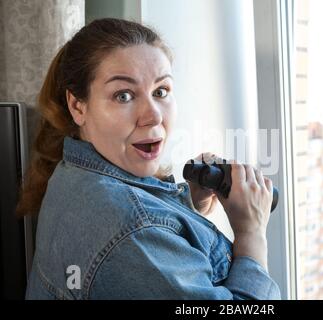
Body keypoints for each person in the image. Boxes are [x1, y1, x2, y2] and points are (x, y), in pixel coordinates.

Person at [17, 18, 280, 300]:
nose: (153, 115)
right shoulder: (132, 230)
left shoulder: (72, 174)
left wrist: (189, 207)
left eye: (161, 91)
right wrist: (251, 232)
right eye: (124, 95)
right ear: (77, 106)